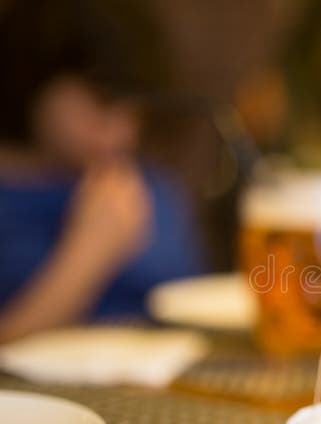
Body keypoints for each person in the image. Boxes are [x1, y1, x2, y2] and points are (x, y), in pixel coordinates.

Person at [0, 0, 205, 342]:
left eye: (136, 110)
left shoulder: (151, 189)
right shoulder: (11, 203)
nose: (124, 133)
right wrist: (87, 255)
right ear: (34, 74)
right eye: (103, 102)